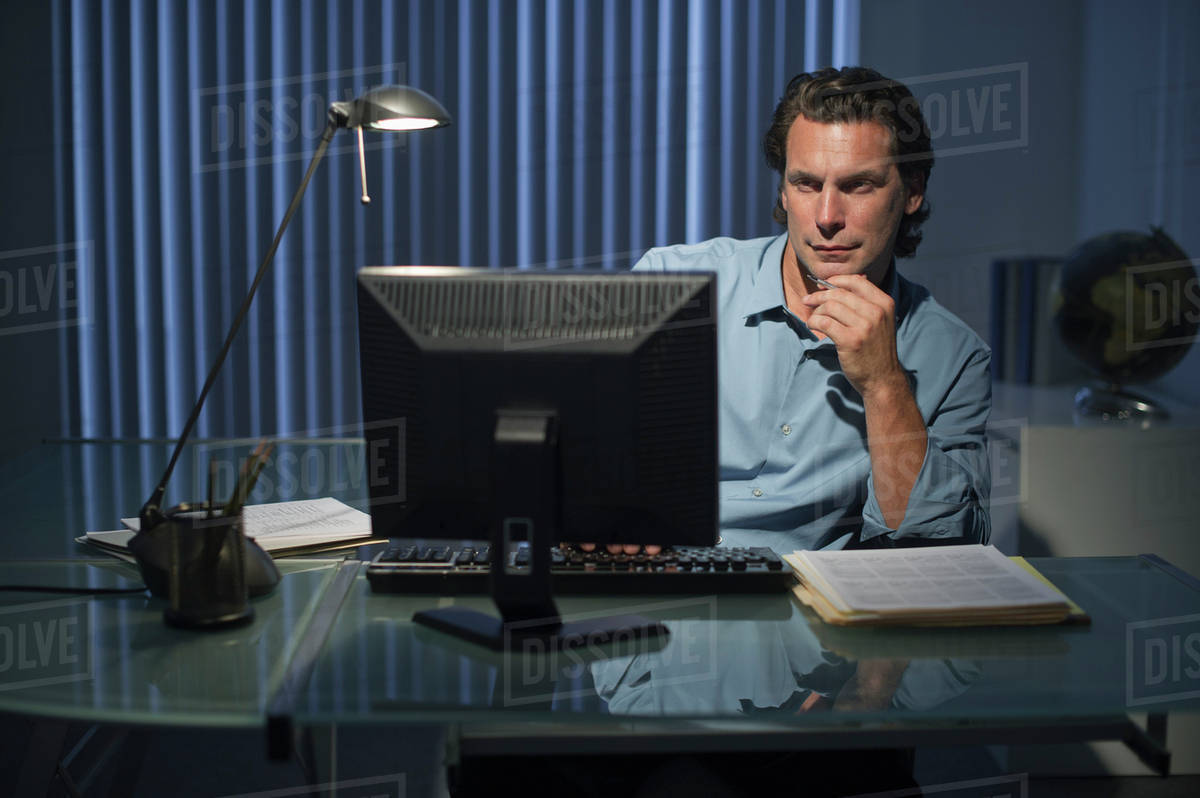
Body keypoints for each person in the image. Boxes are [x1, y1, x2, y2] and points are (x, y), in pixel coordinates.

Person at [633, 66, 991, 554]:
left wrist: (885, 385)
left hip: (811, 605)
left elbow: (938, 546)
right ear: (783, 190)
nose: (826, 218)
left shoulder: (955, 356)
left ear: (912, 191)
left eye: (859, 185)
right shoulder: (673, 284)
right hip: (663, 579)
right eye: (805, 184)